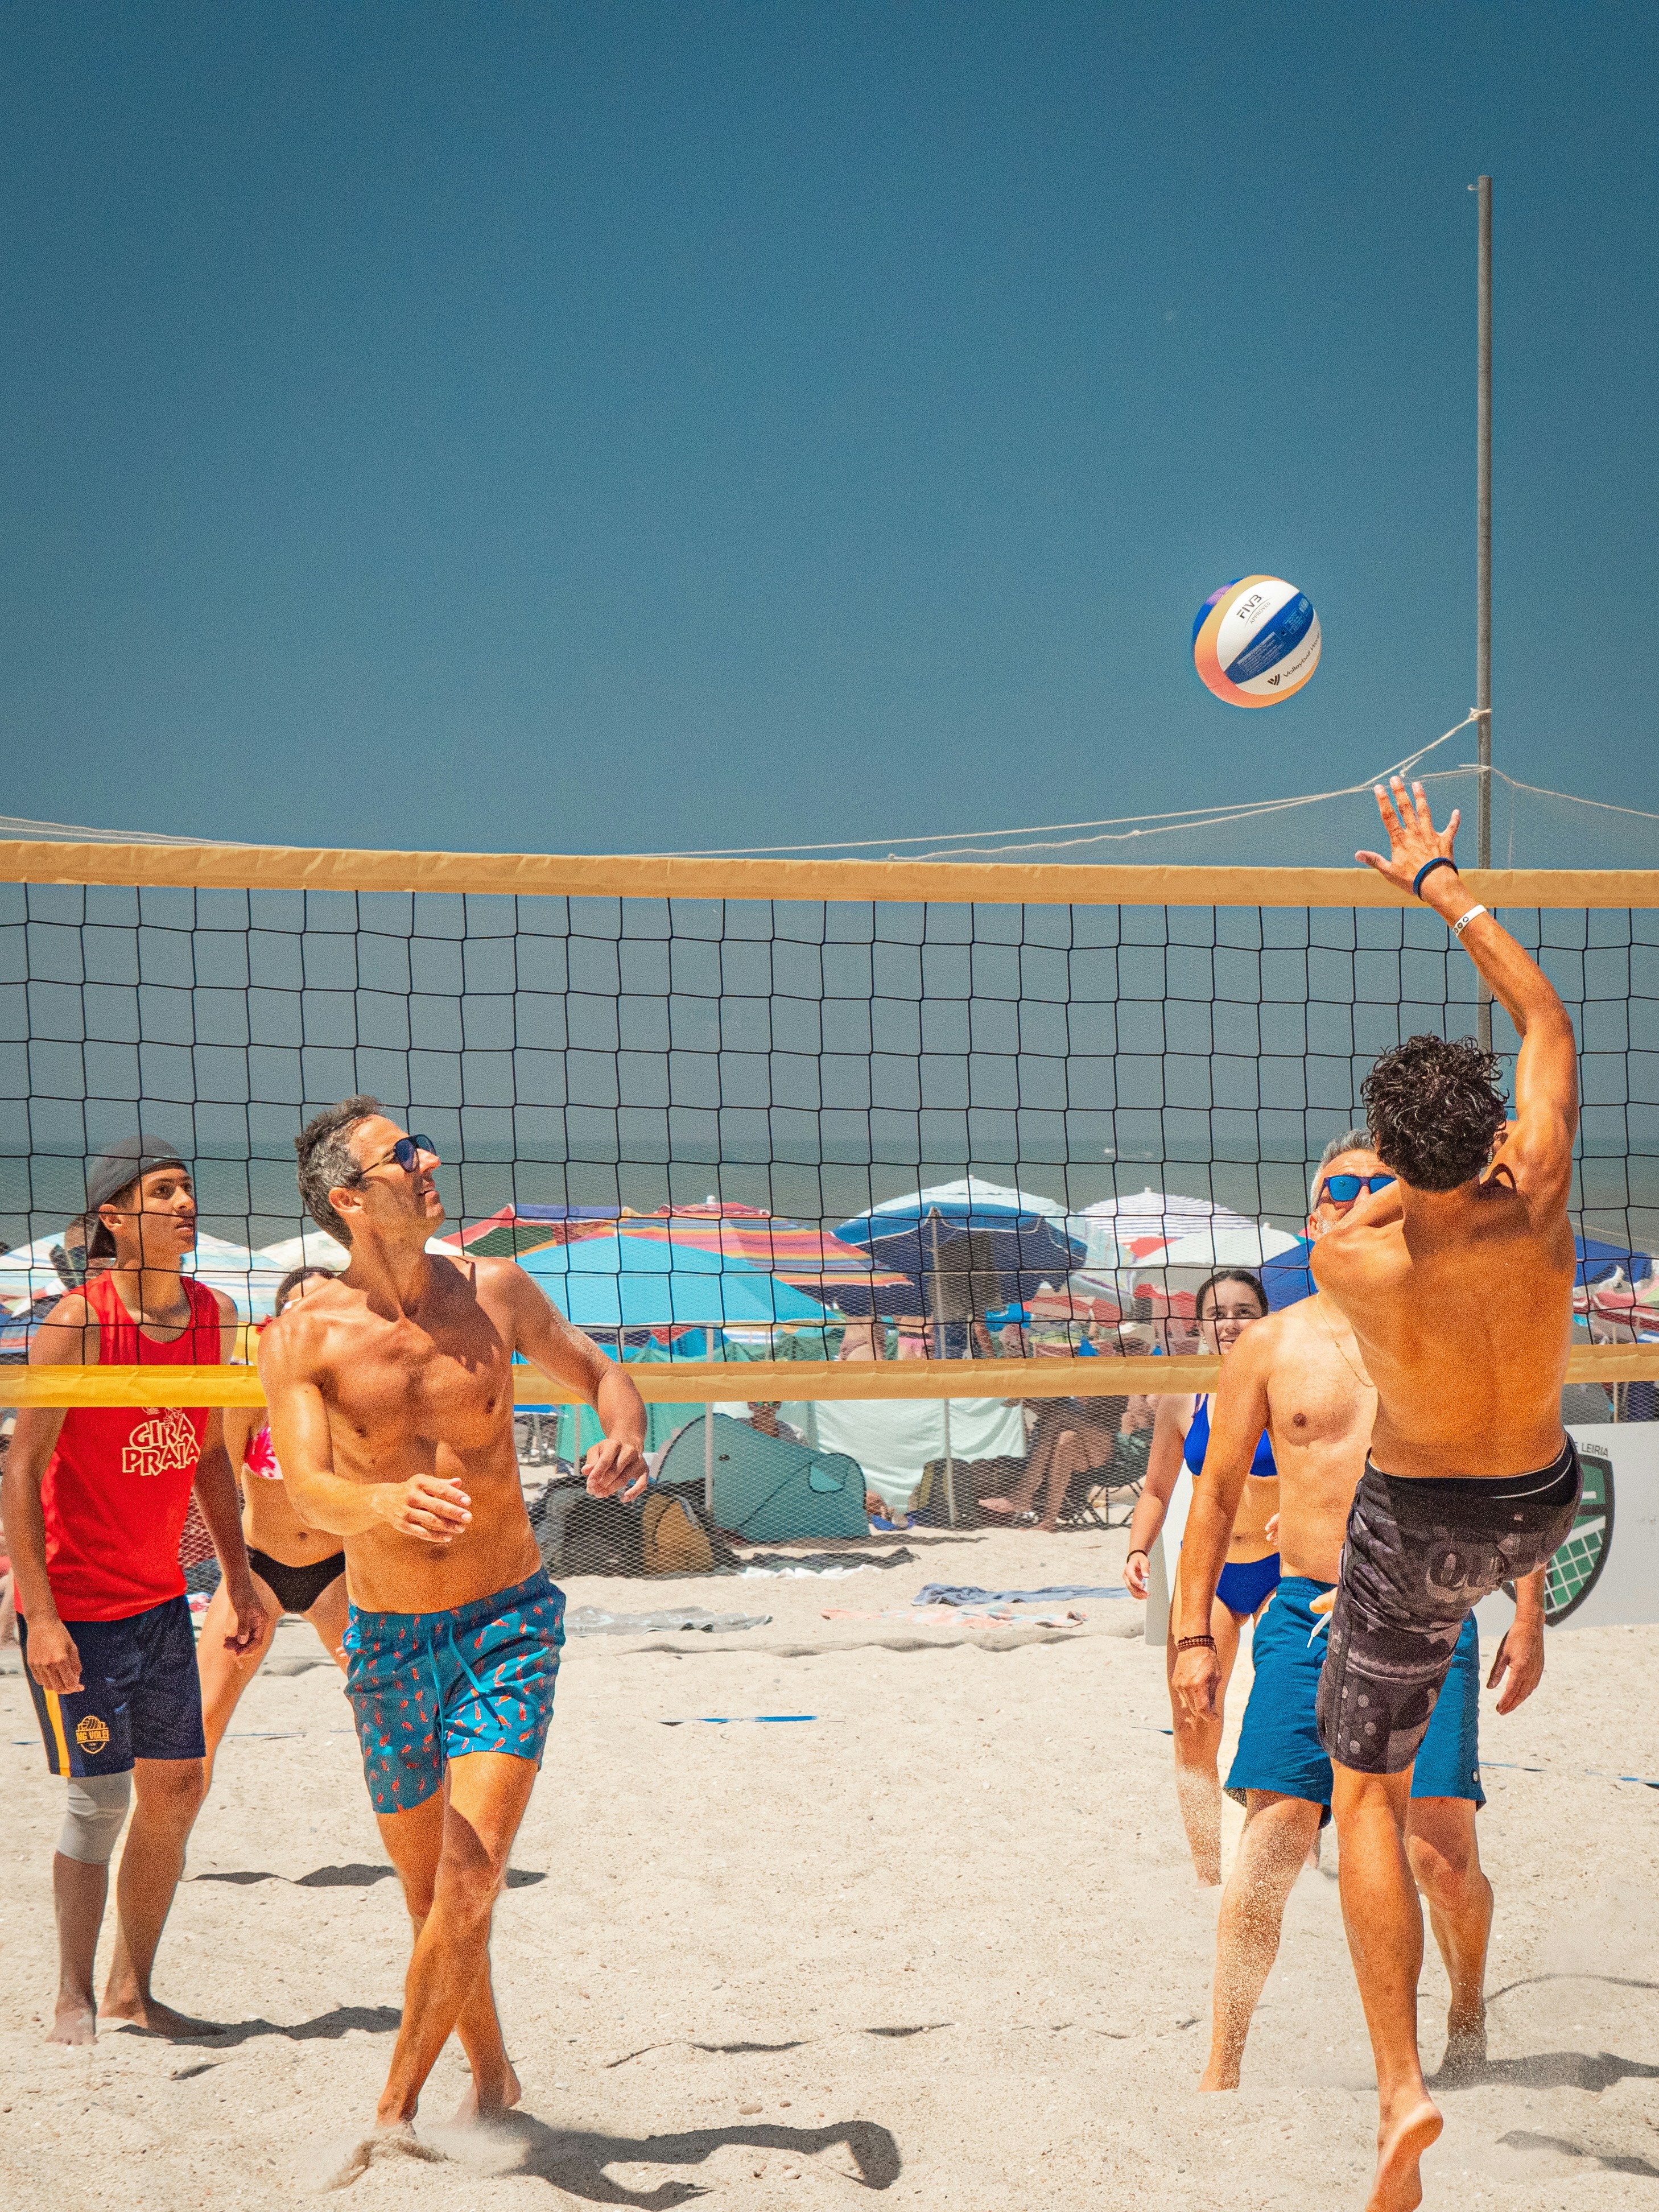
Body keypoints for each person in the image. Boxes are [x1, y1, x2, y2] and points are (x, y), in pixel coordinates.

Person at [1177, 779, 1582, 2212]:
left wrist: (1385, 1184)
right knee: (1407, 1799)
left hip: (1416, 1528)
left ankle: (1399, 2085)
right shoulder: (1535, 1186)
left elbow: (1373, 1203)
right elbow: (1543, 1021)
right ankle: (1404, 2059)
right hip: (1537, 1500)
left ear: (1380, 1171)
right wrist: (1438, 884)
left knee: (1362, 1791)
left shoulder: (1353, 1260)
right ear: (1485, 1138)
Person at [258, 1097, 649, 2155]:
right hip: (386, 1639)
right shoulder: (302, 1338)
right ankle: (494, 2069)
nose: (431, 1162)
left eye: (423, 1145)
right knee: (431, 1893)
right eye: (403, 1156)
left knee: (471, 1875)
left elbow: (607, 1374)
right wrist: (379, 1504)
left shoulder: (498, 1290)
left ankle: (391, 2116)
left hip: (507, 1619)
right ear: (350, 1199)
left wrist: (622, 1435)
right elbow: (304, 1488)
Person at [1185, 1131, 1545, 2096]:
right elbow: (1214, 1498)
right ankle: (1222, 2067)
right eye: (1331, 1189)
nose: (1349, 1199)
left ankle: (1465, 2004)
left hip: (1425, 1599)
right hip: (1301, 1604)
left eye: (1374, 1186)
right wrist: (1188, 1638)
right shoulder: (1268, 1344)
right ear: (1310, 1223)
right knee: (1274, 1834)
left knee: (1439, 1852)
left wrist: (1530, 1611)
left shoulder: (1451, 1323)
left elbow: (1511, 1468)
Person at [1, 1137, 265, 2044]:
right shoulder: (77, 1321)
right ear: (114, 1218)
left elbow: (210, 1461)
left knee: (180, 1788)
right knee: (99, 1799)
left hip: (160, 1601)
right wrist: (38, 1612)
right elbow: (21, 1471)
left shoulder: (216, 1313)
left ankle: (129, 1990)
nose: (186, 1202)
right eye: (163, 1191)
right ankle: (73, 1996)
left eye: (189, 1187)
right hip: (78, 1607)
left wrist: (237, 1575)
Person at [1120, 1270, 1278, 1883]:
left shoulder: (1288, 1385)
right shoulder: (1183, 1397)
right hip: (1206, 1572)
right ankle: (1208, 1874)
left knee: (1283, 1717)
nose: (1231, 1322)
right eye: (1219, 1313)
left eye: (1244, 1310)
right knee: (1194, 1727)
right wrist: (1138, 1547)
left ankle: (1300, 1853)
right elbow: (1158, 1489)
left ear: (1266, 1318)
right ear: (1201, 1325)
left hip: (1280, 1568)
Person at [195, 1265, 346, 1789]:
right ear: (278, 1322)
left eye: (327, 1306)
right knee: (201, 1724)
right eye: (300, 1308)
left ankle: (440, 1860)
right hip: (257, 1569)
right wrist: (234, 1579)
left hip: (343, 1573)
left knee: (391, 1720)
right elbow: (214, 1479)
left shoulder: (361, 1393)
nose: (314, 1318)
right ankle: (152, 1852)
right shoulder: (249, 1393)